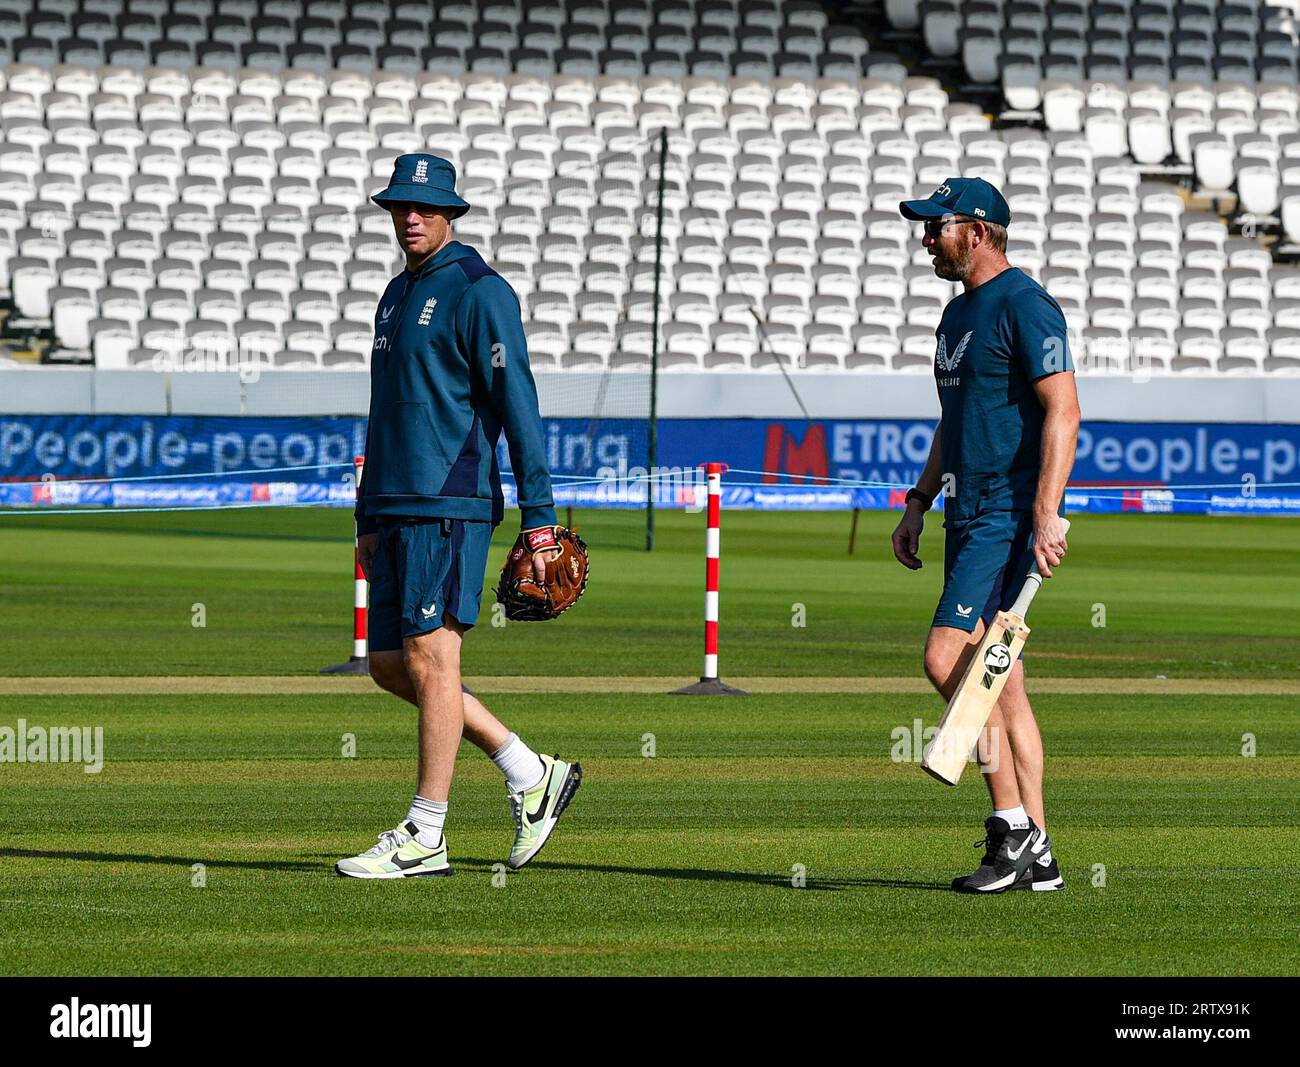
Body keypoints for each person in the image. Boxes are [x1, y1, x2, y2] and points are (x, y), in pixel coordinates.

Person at [335, 153, 582, 879]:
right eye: (399, 207)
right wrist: (366, 517)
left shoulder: (481, 292)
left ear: (450, 213)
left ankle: (426, 832)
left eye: (424, 207)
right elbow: (384, 414)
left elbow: (520, 407)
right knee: (390, 665)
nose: (409, 217)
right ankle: (530, 769)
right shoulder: (392, 294)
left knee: (433, 660)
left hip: (452, 501)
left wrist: (541, 520)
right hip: (395, 505)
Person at [890, 177, 1080, 893]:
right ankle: (1042, 853)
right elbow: (952, 420)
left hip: (1004, 514)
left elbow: (1064, 409)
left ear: (976, 230)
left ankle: (1012, 831)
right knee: (1007, 691)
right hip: (964, 512)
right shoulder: (956, 316)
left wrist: (1044, 510)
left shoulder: (1026, 304)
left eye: (935, 226)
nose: (925, 239)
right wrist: (918, 499)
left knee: (947, 660)